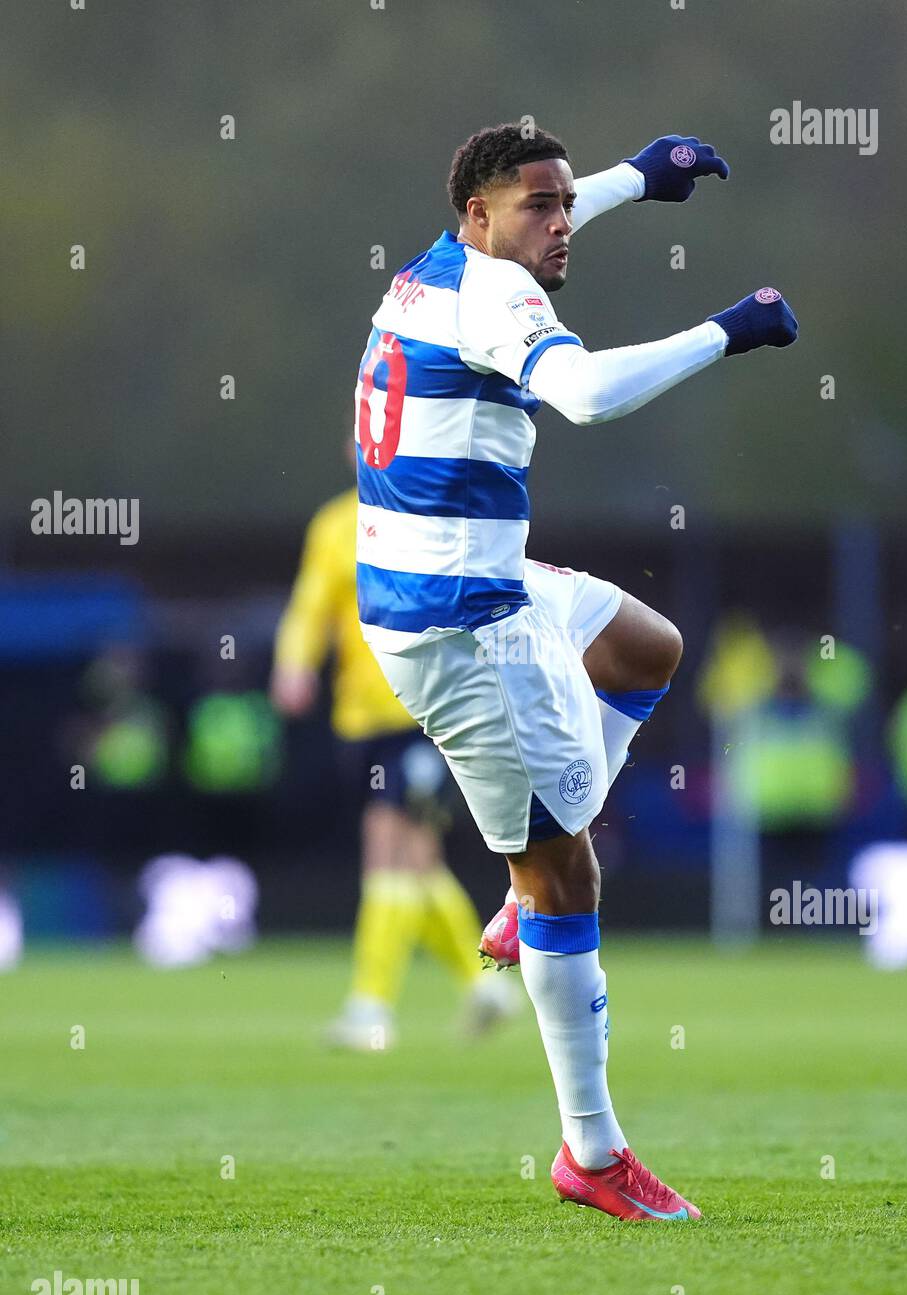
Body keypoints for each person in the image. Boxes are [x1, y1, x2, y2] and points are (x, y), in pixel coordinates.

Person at [353, 124, 799, 1219]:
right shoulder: (499, 299)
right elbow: (587, 396)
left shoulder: (440, 264)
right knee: (565, 880)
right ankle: (590, 1154)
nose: (560, 223)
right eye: (539, 210)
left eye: (565, 204)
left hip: (467, 574)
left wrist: (642, 179)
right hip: (464, 622)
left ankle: (525, 886)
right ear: (479, 218)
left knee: (643, 648)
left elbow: (541, 196)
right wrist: (727, 331)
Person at [271, 486, 517, 1050]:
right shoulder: (334, 523)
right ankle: (484, 983)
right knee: (418, 863)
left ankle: (371, 1009)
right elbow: (311, 606)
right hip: (359, 719)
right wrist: (294, 663)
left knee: (387, 847)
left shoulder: (429, 513)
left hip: (422, 712)